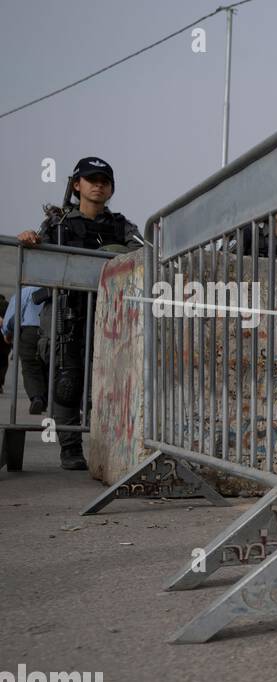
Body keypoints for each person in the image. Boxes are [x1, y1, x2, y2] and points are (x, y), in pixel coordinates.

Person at [17, 155, 142, 470]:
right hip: (68, 314)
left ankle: (113, 448)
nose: (98, 186)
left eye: (104, 182)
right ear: (77, 185)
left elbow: (144, 250)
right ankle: (71, 449)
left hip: (113, 316)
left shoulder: (121, 225)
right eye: (91, 180)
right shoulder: (59, 224)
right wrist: (29, 238)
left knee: (115, 382)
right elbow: (40, 248)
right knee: (67, 383)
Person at [2, 287, 49, 412]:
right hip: (51, 332)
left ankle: (37, 398)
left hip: (29, 332)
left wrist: (7, 332)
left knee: (30, 367)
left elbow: (13, 316)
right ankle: (48, 399)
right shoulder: (58, 289)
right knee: (50, 366)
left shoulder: (25, 291)